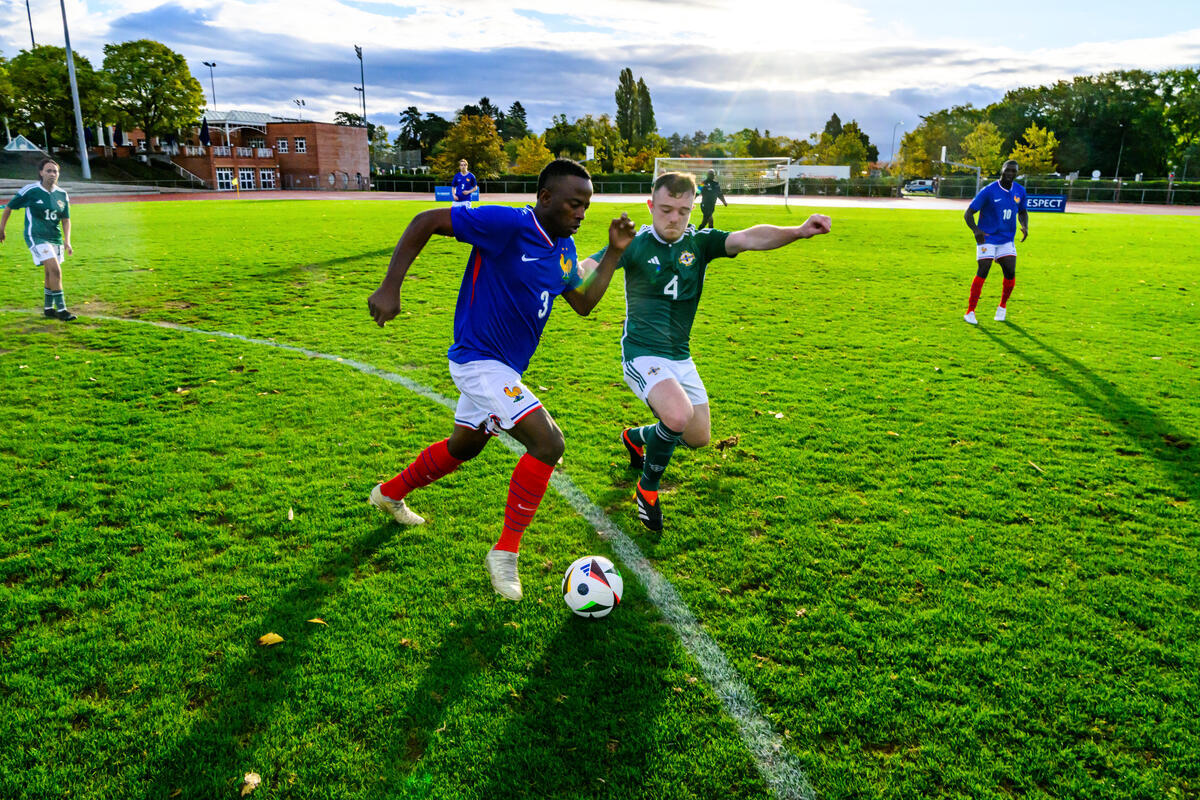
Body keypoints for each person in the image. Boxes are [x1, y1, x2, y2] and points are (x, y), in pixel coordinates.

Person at [366, 159, 636, 600]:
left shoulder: (564, 249)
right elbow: (426, 220)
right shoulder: (509, 223)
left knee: (463, 448)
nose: (581, 214)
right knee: (549, 444)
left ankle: (389, 493)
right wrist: (390, 286)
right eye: (574, 204)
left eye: (586, 206)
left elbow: (584, 304)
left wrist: (615, 252)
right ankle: (505, 553)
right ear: (545, 198)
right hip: (478, 361)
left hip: (505, 370)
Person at [579, 172, 831, 532]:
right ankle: (647, 488)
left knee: (697, 438)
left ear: (692, 208)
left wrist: (799, 230)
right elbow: (588, 267)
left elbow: (749, 237)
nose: (674, 218)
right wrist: (560, 271)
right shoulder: (633, 244)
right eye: (665, 209)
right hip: (642, 354)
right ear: (651, 206)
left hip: (680, 357)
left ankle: (635, 438)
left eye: (682, 211)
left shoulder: (700, 243)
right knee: (678, 416)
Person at [0, 158, 77, 321]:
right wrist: (1, 228)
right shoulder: (31, 190)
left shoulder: (62, 194)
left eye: (55, 171)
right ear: (41, 172)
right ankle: (62, 310)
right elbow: (9, 207)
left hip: (54, 237)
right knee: (55, 270)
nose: (52, 174)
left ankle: (48, 308)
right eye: (48, 171)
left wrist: (67, 240)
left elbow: (65, 219)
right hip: (36, 236)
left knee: (50, 272)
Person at [963, 159, 1028, 324]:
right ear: (1002, 170)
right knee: (984, 269)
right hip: (988, 237)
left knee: (1010, 271)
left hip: (1006, 238)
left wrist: (1024, 226)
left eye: (1014, 171)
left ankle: (1002, 307)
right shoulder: (989, 191)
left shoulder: (1020, 191)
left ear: (1016, 173)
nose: (1010, 173)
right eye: (1008, 170)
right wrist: (976, 230)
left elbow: (1022, 212)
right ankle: (970, 311)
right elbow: (968, 213)